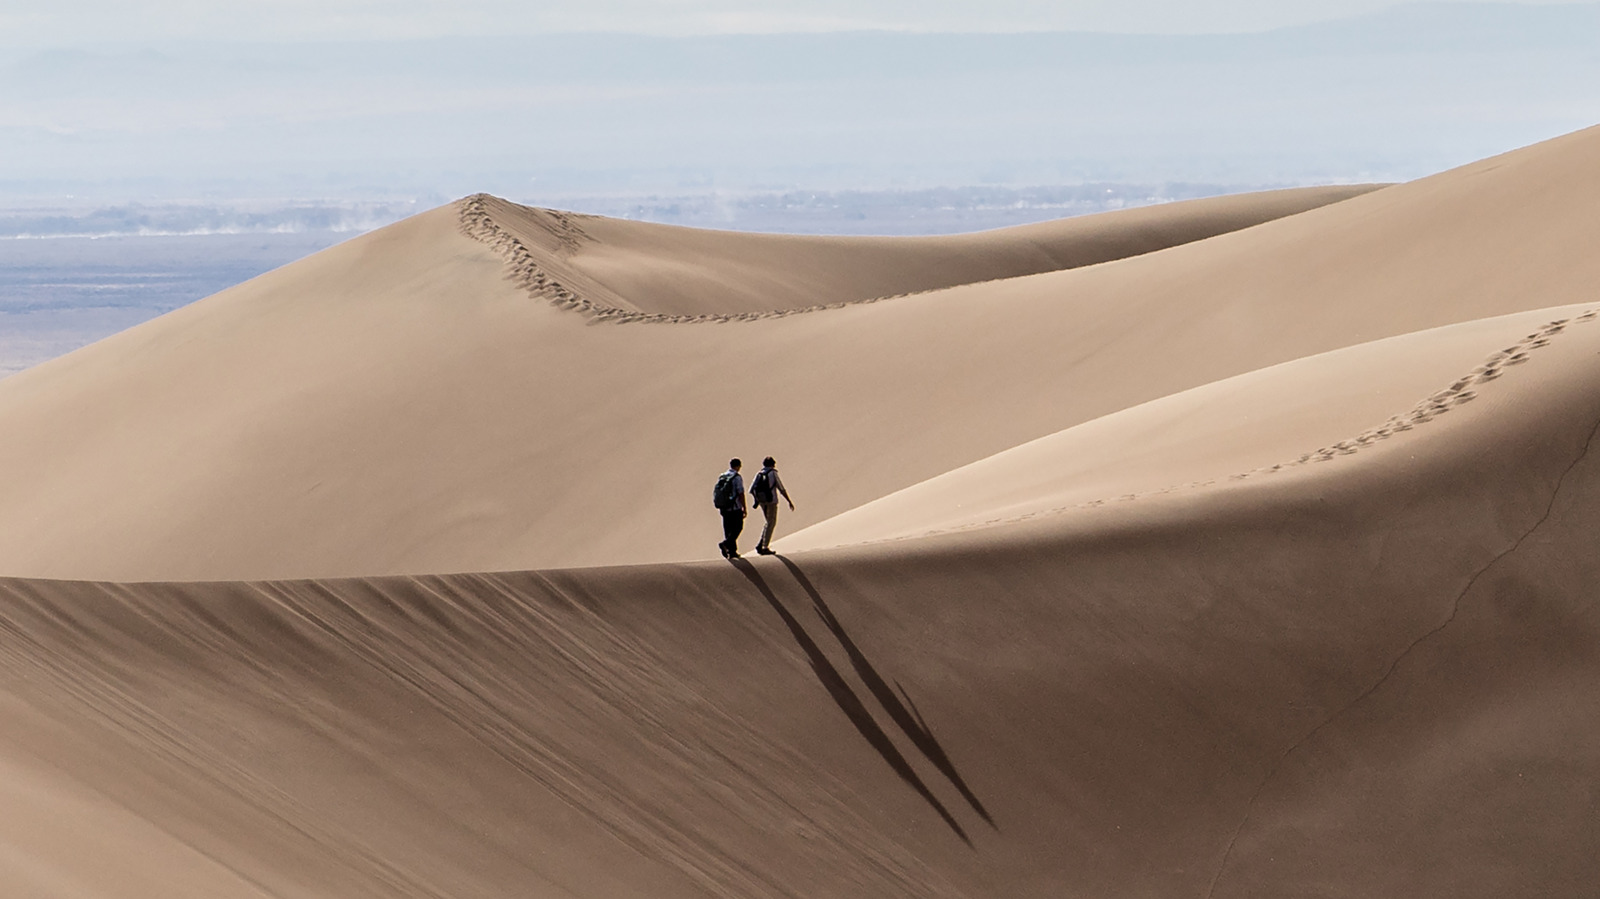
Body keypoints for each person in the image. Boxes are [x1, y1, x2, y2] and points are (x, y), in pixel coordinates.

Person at [750, 456, 795, 556]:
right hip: (772, 501)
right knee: (771, 523)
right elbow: (781, 487)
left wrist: (757, 500)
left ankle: (760, 544)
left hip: (762, 502)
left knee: (768, 522)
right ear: (772, 464)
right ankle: (765, 547)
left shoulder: (759, 474)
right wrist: (789, 501)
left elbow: (751, 489)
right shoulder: (773, 473)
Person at [713, 458, 747, 559]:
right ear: (737, 466)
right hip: (734, 507)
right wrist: (744, 507)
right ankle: (726, 544)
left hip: (724, 508)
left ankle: (732, 552)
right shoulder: (737, 477)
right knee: (738, 527)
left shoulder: (722, 476)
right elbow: (740, 493)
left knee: (728, 529)